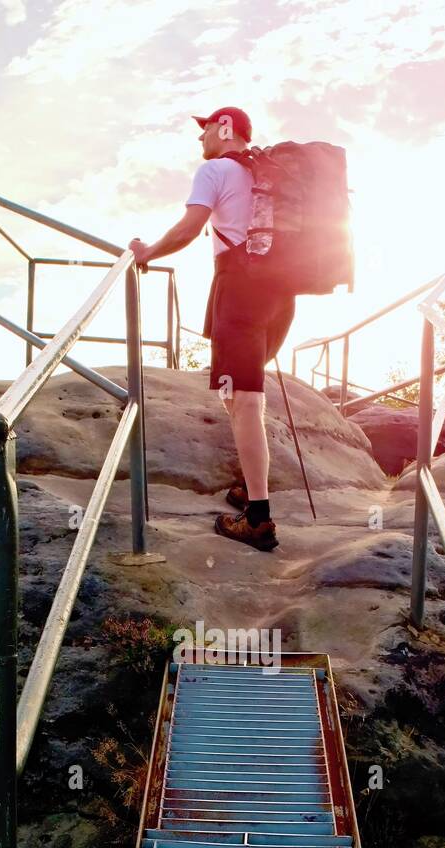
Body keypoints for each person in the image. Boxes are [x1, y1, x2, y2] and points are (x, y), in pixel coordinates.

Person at [128, 105, 295, 552]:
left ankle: (258, 518)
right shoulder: (267, 172)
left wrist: (147, 252)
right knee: (243, 396)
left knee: (242, 399)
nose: (200, 140)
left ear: (225, 128)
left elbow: (188, 230)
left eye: (204, 130)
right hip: (281, 293)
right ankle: (250, 483)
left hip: (240, 289)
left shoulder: (217, 170)